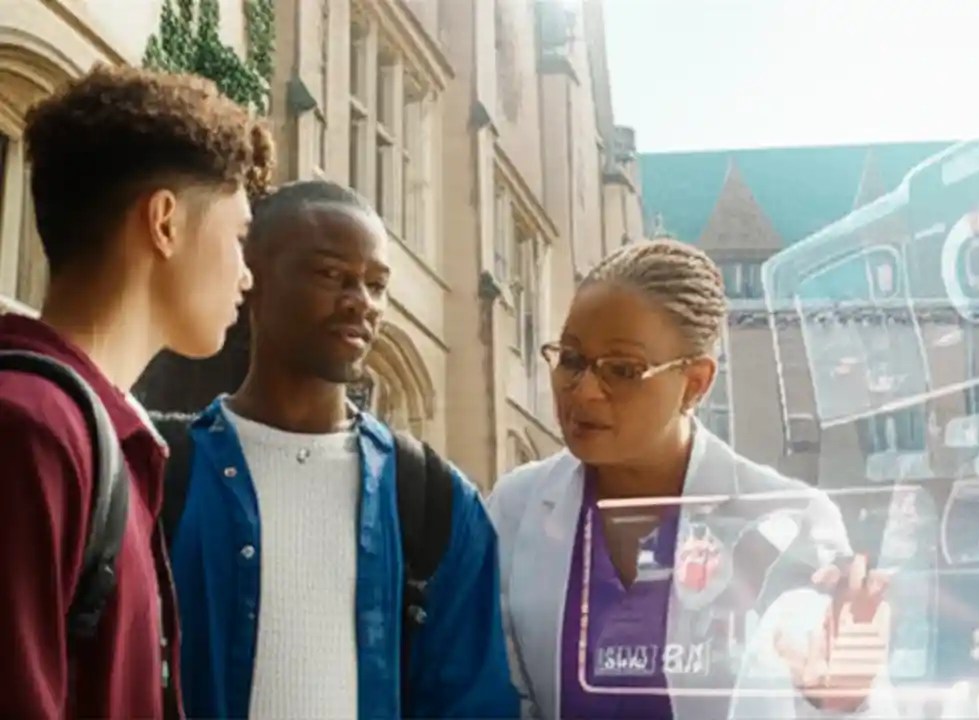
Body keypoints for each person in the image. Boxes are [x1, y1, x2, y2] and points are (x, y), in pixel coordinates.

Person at [165, 180, 519, 719]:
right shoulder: (161, 474)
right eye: (330, 274)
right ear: (251, 274)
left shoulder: (434, 500)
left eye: (376, 284)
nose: (360, 301)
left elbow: (472, 702)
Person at [487, 240, 884, 720]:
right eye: (571, 359)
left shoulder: (793, 523)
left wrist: (842, 701)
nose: (584, 391)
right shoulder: (517, 506)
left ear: (696, 383)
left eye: (622, 370)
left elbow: (829, 702)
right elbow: (498, 698)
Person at [0, 64, 270, 718]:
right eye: (239, 237)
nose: (247, 276)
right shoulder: (29, 431)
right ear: (165, 222)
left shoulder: (97, 435)